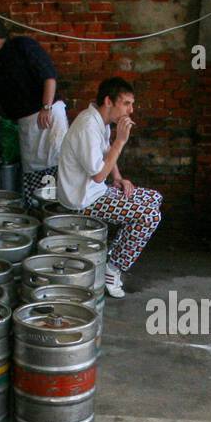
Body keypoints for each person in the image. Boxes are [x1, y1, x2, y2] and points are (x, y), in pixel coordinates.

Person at [57, 77, 162, 298]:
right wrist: (120, 141)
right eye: (126, 103)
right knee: (150, 216)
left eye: (131, 104)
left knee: (154, 198)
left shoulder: (100, 121)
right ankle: (113, 268)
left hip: (98, 191)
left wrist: (118, 178)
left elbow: (106, 157)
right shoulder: (88, 126)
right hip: (83, 201)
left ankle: (112, 255)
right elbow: (97, 175)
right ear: (108, 101)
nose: (130, 110)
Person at [0, 16, 68, 203]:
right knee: (34, 172)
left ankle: (58, 210)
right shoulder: (0, 65)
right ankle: (39, 209)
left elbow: (49, 76)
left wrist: (46, 107)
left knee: (57, 165)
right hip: (27, 124)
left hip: (47, 117)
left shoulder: (23, 46)